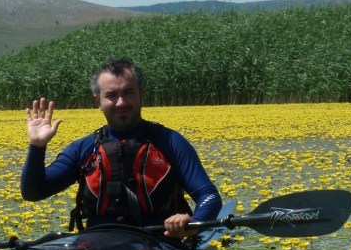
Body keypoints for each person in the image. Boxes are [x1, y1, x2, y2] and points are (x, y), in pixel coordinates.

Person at [21, 58, 222, 238]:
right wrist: (37, 146)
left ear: (141, 95)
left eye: (128, 93)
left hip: (161, 240)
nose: (121, 102)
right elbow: (33, 192)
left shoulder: (170, 142)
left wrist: (192, 223)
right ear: (97, 101)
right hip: (96, 244)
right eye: (111, 95)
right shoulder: (83, 148)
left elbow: (209, 196)